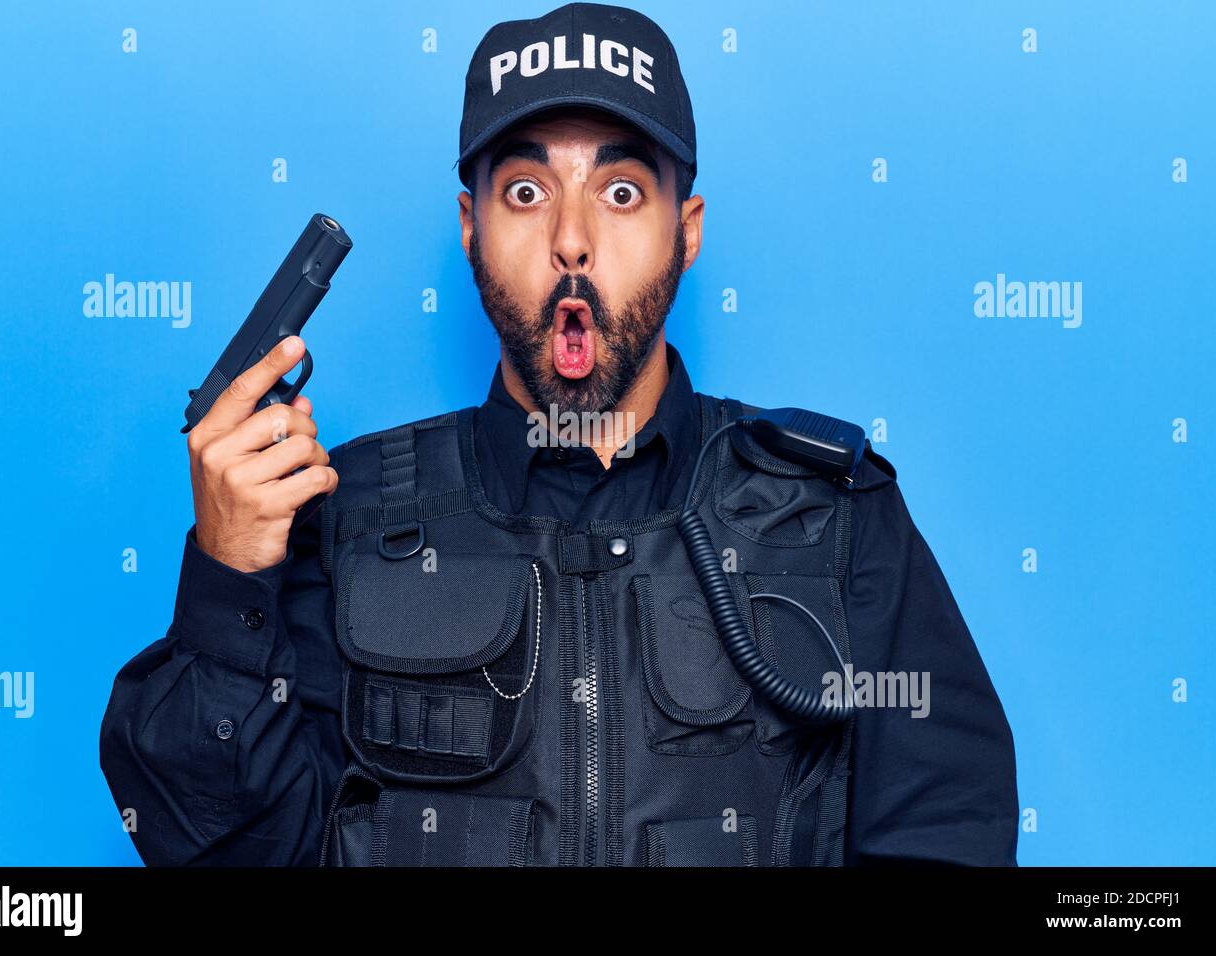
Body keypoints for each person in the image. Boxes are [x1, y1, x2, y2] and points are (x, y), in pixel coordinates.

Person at [100, 2, 1018, 867]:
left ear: (685, 231)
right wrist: (229, 581)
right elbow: (223, 852)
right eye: (528, 190)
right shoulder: (343, 518)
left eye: (620, 191)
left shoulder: (834, 514)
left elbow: (947, 831)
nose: (572, 240)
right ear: (470, 226)